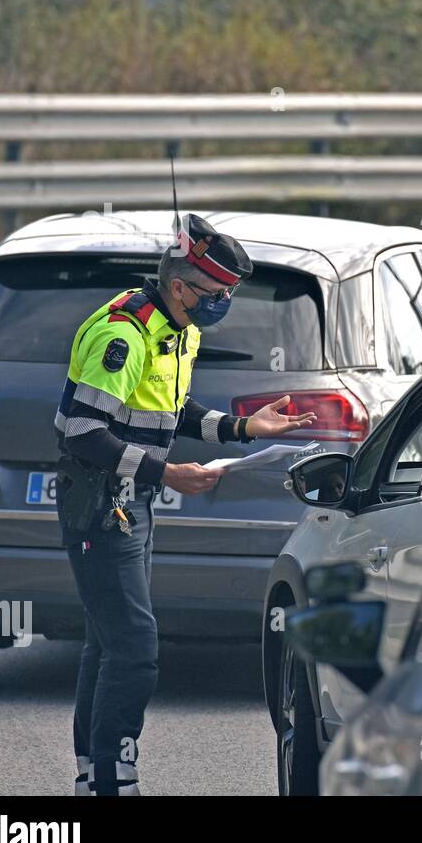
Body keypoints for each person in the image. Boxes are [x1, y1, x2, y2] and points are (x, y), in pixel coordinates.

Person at [54, 214, 316, 795]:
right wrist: (166, 470)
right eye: (217, 292)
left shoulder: (175, 330)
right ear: (180, 285)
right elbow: (79, 431)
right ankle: (112, 778)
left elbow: (174, 408)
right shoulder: (123, 334)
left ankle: (93, 776)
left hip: (131, 505)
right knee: (136, 651)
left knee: (108, 642)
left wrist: (246, 427)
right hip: (100, 507)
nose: (224, 302)